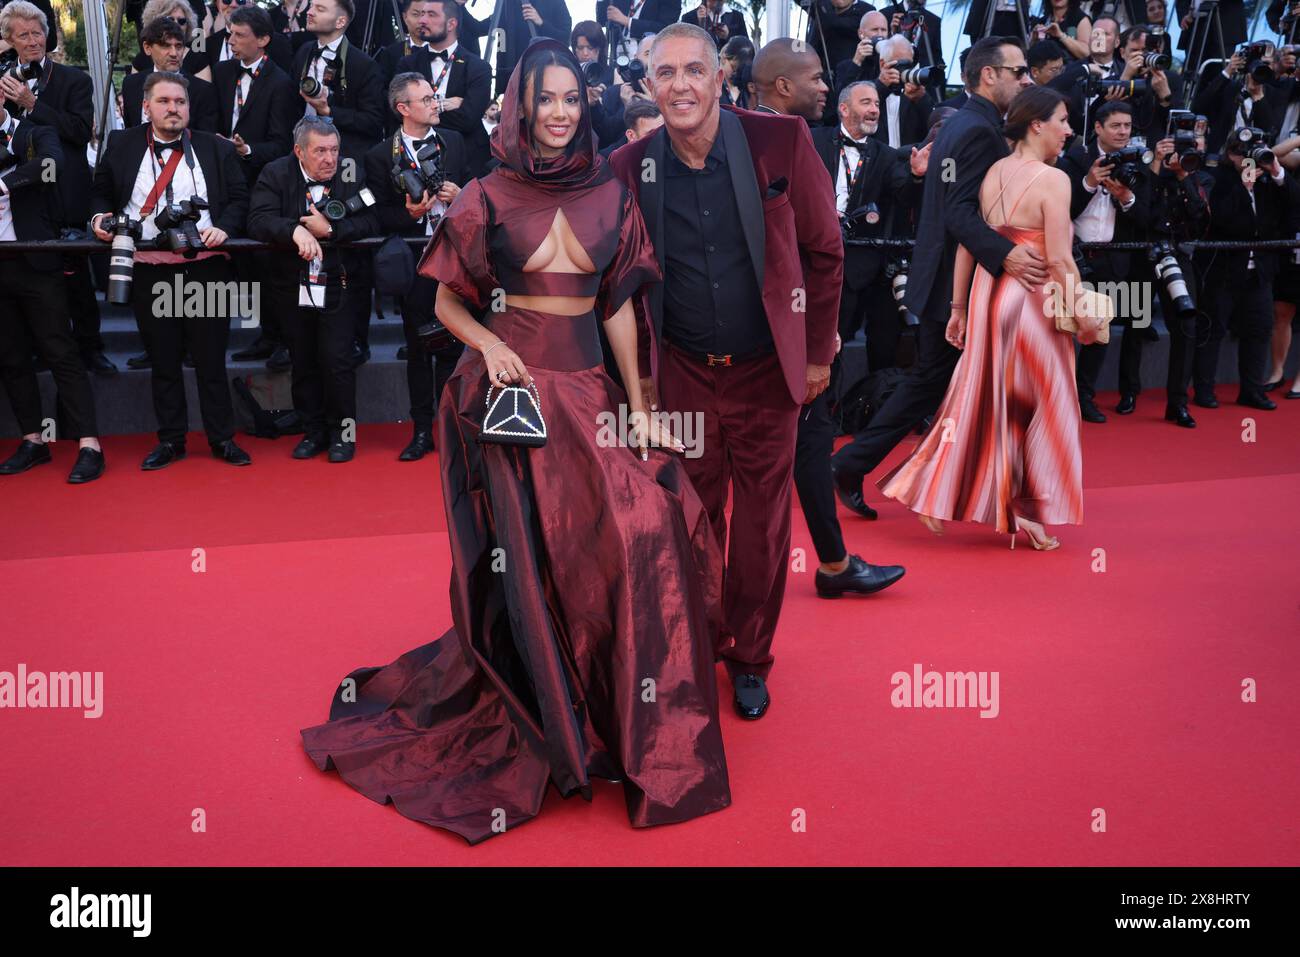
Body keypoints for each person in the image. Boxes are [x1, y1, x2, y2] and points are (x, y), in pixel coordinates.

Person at [301, 39, 730, 843]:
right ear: (521, 106)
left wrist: (639, 405)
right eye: (547, 99)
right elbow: (446, 305)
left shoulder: (611, 193)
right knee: (536, 558)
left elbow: (617, 311)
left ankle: (618, 708)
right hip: (509, 402)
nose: (562, 112)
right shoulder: (485, 195)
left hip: (588, 392)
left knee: (642, 529)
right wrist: (490, 345)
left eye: (573, 98)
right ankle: (551, 710)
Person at [611, 23, 844, 716]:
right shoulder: (631, 166)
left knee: (762, 525)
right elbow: (621, 283)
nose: (679, 85)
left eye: (693, 70)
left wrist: (818, 354)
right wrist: (645, 377)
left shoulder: (780, 142)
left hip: (769, 372)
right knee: (692, 517)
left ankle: (749, 654)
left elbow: (825, 253)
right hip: (683, 370)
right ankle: (697, 640)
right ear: (648, 86)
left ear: (721, 78)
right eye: (665, 73)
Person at [830, 38, 1045, 518]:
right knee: (960, 385)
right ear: (989, 75)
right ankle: (991, 492)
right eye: (1019, 70)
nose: (1026, 79)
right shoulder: (976, 131)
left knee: (932, 384)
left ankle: (860, 465)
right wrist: (1008, 255)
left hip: (946, 279)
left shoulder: (965, 122)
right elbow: (959, 213)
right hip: (958, 284)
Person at [879, 85, 1100, 550]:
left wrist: (958, 308)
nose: (1068, 130)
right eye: (1062, 119)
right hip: (1031, 301)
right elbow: (1060, 261)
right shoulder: (1053, 180)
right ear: (1036, 124)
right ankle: (1025, 509)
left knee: (978, 398)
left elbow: (969, 242)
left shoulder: (995, 170)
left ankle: (932, 489)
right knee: (1033, 404)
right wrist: (1083, 313)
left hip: (988, 293)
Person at [753, 48, 909, 601]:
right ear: (779, 84)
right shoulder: (793, 140)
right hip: (776, 332)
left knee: (806, 439)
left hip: (755, 330)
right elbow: (821, 250)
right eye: (817, 78)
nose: (825, 86)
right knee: (803, 440)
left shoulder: (736, 134)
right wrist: (817, 335)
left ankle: (834, 563)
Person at [90, 72, 252, 470]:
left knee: (211, 359)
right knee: (163, 361)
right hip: (148, 268)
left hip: (205, 267)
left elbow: (238, 198)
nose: (173, 108)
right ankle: (171, 440)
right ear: (146, 107)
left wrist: (225, 227)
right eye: (164, 101)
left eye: (180, 102)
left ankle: (222, 438)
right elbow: (99, 192)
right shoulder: (123, 143)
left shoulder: (214, 148)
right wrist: (97, 217)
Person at [247, 116, 383, 462]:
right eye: (320, 151)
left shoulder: (350, 174)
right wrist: (294, 230)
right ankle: (314, 432)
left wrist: (331, 231)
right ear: (299, 151)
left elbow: (372, 220)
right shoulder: (276, 173)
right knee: (303, 361)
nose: (329, 159)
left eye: (334, 150)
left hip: (339, 284)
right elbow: (257, 219)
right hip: (291, 285)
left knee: (337, 362)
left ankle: (344, 436)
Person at [0, 99, 106, 483]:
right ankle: (33, 440)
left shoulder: (34, 132)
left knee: (61, 351)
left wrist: (3, 184)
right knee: (12, 357)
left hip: (36, 261)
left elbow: (51, 166)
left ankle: (89, 444)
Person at [363, 73, 467, 461]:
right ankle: (422, 430)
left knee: (458, 347)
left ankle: (456, 428)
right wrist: (408, 214)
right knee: (420, 349)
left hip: (457, 261)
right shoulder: (378, 155)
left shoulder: (455, 142)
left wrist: (462, 196)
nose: (434, 103)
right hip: (416, 261)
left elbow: (482, 192)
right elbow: (376, 216)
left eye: (434, 97)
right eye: (425, 99)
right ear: (402, 108)